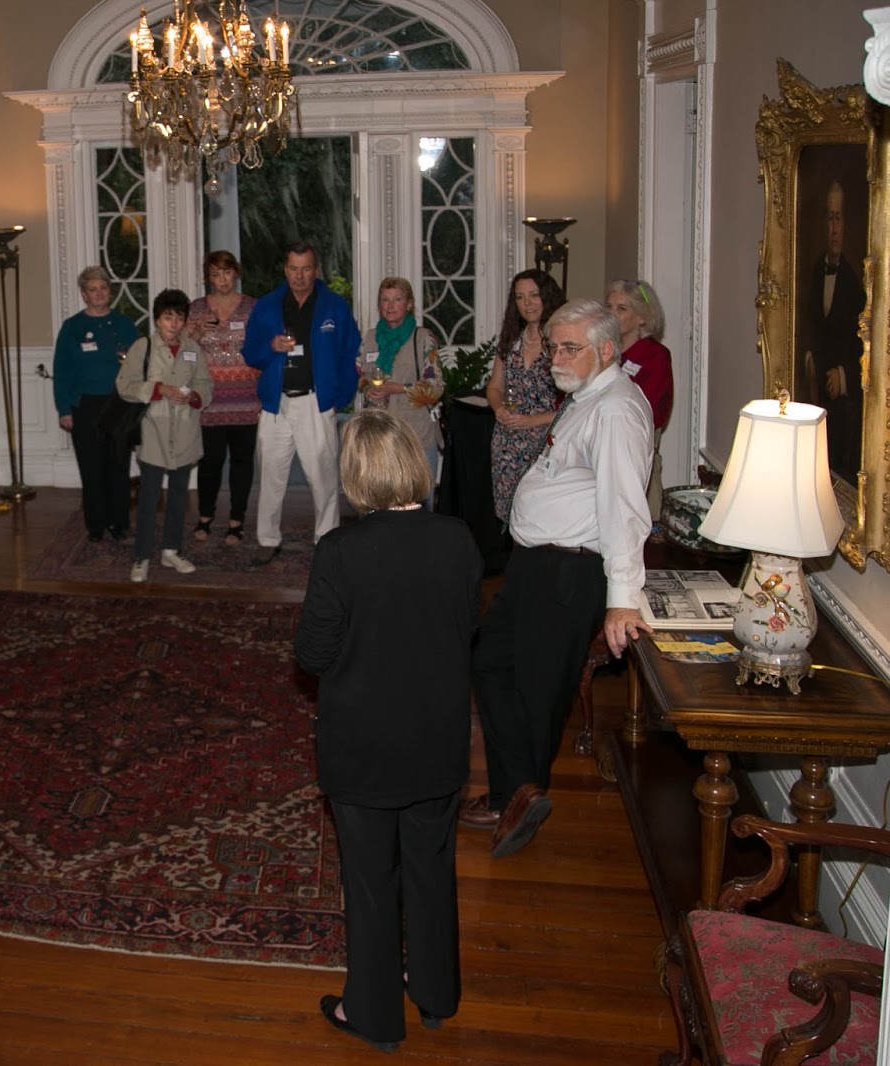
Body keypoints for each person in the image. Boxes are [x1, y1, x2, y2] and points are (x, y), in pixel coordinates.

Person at [295, 409, 480, 1053]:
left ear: (355, 477)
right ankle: (434, 993)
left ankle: (372, 1014)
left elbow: (312, 655)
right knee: (430, 868)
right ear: (411, 462)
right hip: (437, 739)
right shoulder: (458, 538)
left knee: (371, 880)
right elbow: (464, 631)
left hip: (364, 746)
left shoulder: (340, 552)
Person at [462, 300, 653, 858]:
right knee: (490, 661)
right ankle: (515, 791)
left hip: (568, 569)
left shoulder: (616, 409)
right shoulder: (585, 397)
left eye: (570, 348)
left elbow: (624, 506)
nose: (557, 360)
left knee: (538, 691)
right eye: (554, 349)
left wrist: (622, 600)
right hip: (536, 564)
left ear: (607, 349)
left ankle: (517, 796)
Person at [242, 241, 361, 564]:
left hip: (316, 403)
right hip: (276, 405)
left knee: (323, 477)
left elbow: (351, 353)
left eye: (306, 268)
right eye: (294, 269)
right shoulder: (267, 306)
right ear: (285, 270)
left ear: (316, 269)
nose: (299, 275)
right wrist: (271, 346)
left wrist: (338, 399)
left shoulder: (334, 306)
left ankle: (327, 539)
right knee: (270, 475)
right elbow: (250, 352)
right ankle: (267, 539)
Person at [117, 288, 214, 583]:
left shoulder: (192, 348)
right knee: (148, 498)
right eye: (167, 317)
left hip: (185, 431)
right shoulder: (142, 346)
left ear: (185, 321)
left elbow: (205, 384)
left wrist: (195, 397)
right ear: (157, 319)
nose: (173, 323)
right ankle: (142, 555)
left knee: (178, 497)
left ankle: (172, 550)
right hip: (153, 431)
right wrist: (159, 390)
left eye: (179, 318)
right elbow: (125, 385)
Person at [53, 265, 140, 541]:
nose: (99, 293)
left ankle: (118, 523)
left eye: (103, 288)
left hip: (118, 404)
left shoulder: (125, 324)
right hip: (84, 405)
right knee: (91, 467)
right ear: (84, 294)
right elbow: (62, 371)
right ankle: (95, 525)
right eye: (93, 289)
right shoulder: (72, 327)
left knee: (118, 465)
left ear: (109, 291)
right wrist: (64, 409)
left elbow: (138, 365)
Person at [187, 250, 259, 545]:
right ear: (208, 277)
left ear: (236, 273)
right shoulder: (197, 308)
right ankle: (205, 517)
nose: (222, 279)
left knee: (242, 462)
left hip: (247, 398)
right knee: (210, 462)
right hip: (210, 400)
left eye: (227, 272)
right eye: (215, 274)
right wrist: (196, 334)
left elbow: (264, 348)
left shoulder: (253, 308)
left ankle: (236, 521)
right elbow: (184, 353)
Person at [486, 269, 565, 523]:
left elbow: (576, 403)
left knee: (542, 515)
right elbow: (494, 386)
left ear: (547, 297)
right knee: (510, 515)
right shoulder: (511, 340)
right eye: (520, 297)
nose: (527, 303)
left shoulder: (563, 341)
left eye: (534, 295)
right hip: (507, 441)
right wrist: (498, 408)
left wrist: (532, 421)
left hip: (547, 441)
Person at [359, 277, 444, 504]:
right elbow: (360, 378)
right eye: (385, 300)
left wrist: (398, 389)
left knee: (419, 505)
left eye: (397, 299)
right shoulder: (369, 338)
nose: (390, 305)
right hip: (380, 436)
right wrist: (369, 389)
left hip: (416, 437)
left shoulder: (423, 338)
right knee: (381, 505)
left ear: (408, 304)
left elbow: (436, 388)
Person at [800, 179, 865, 477]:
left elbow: (868, 349)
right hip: (814, 404)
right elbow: (805, 326)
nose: (835, 228)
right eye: (830, 217)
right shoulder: (814, 272)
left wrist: (844, 376)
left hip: (844, 415)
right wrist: (809, 358)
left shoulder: (856, 283)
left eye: (839, 218)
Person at [604, 279, 673, 515]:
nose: (612, 315)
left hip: (635, 450)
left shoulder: (655, 355)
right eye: (609, 307)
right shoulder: (601, 350)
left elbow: (652, 408)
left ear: (642, 316)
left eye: (621, 309)